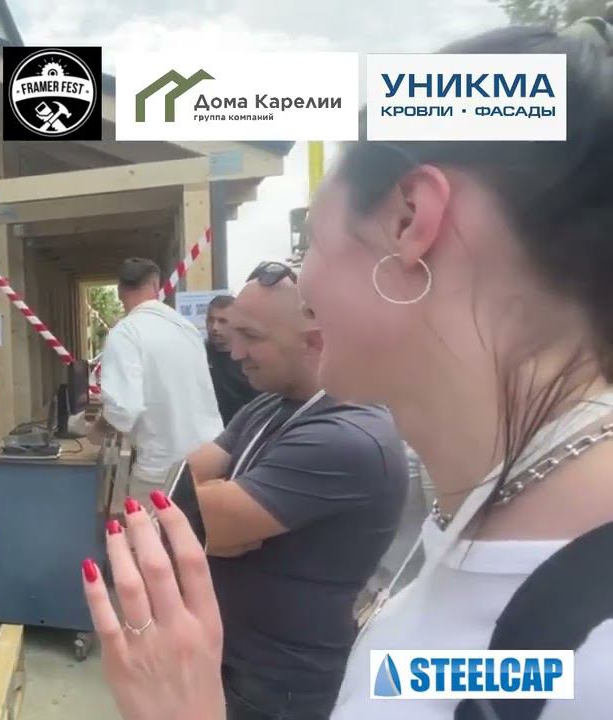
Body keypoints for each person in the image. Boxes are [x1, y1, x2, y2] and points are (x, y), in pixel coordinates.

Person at [79, 25, 613, 720]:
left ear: (408, 223)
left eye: (311, 244)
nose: (304, 290)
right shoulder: (481, 517)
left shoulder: (593, 649)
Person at [179, 267, 407, 719]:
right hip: (234, 663)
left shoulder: (348, 436)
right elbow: (181, 485)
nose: (235, 351)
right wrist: (203, 512)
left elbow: (190, 519)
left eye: (251, 336)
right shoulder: (271, 403)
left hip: (277, 688)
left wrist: (204, 514)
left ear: (315, 340)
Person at [93, 258, 223, 505]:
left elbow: (123, 410)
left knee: (149, 530)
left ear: (119, 290)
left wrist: (94, 430)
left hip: (163, 471)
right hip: (210, 460)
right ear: (155, 285)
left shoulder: (127, 331)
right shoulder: (186, 327)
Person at [204, 294, 258, 424]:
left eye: (222, 321)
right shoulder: (199, 356)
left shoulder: (251, 360)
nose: (214, 327)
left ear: (237, 323)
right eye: (211, 320)